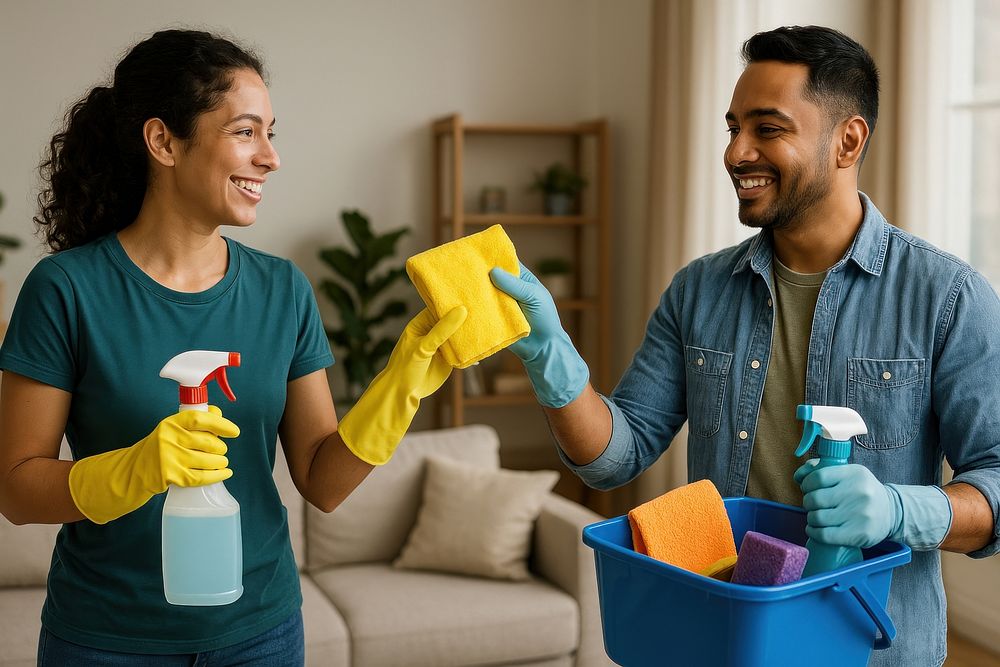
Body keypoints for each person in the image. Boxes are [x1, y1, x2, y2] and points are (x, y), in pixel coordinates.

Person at [491, 25, 999, 666]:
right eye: (732, 127)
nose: (736, 152)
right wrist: (553, 362)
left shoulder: (946, 297)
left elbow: (998, 483)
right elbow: (615, 456)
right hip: (718, 638)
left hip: (867, 647)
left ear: (847, 141)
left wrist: (901, 510)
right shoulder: (698, 290)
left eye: (767, 128)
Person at [0, 29, 464, 665]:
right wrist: (131, 471)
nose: (270, 157)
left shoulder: (282, 291)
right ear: (163, 141)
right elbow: (17, 489)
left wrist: (401, 385)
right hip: (107, 640)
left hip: (262, 634)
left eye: (272, 133)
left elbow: (323, 482)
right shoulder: (67, 290)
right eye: (246, 132)